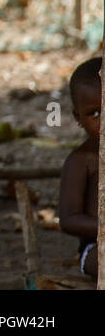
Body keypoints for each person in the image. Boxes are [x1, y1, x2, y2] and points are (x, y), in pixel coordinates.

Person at [59, 56, 100, 279]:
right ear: (78, 117)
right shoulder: (81, 160)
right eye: (95, 113)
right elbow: (69, 219)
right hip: (96, 249)